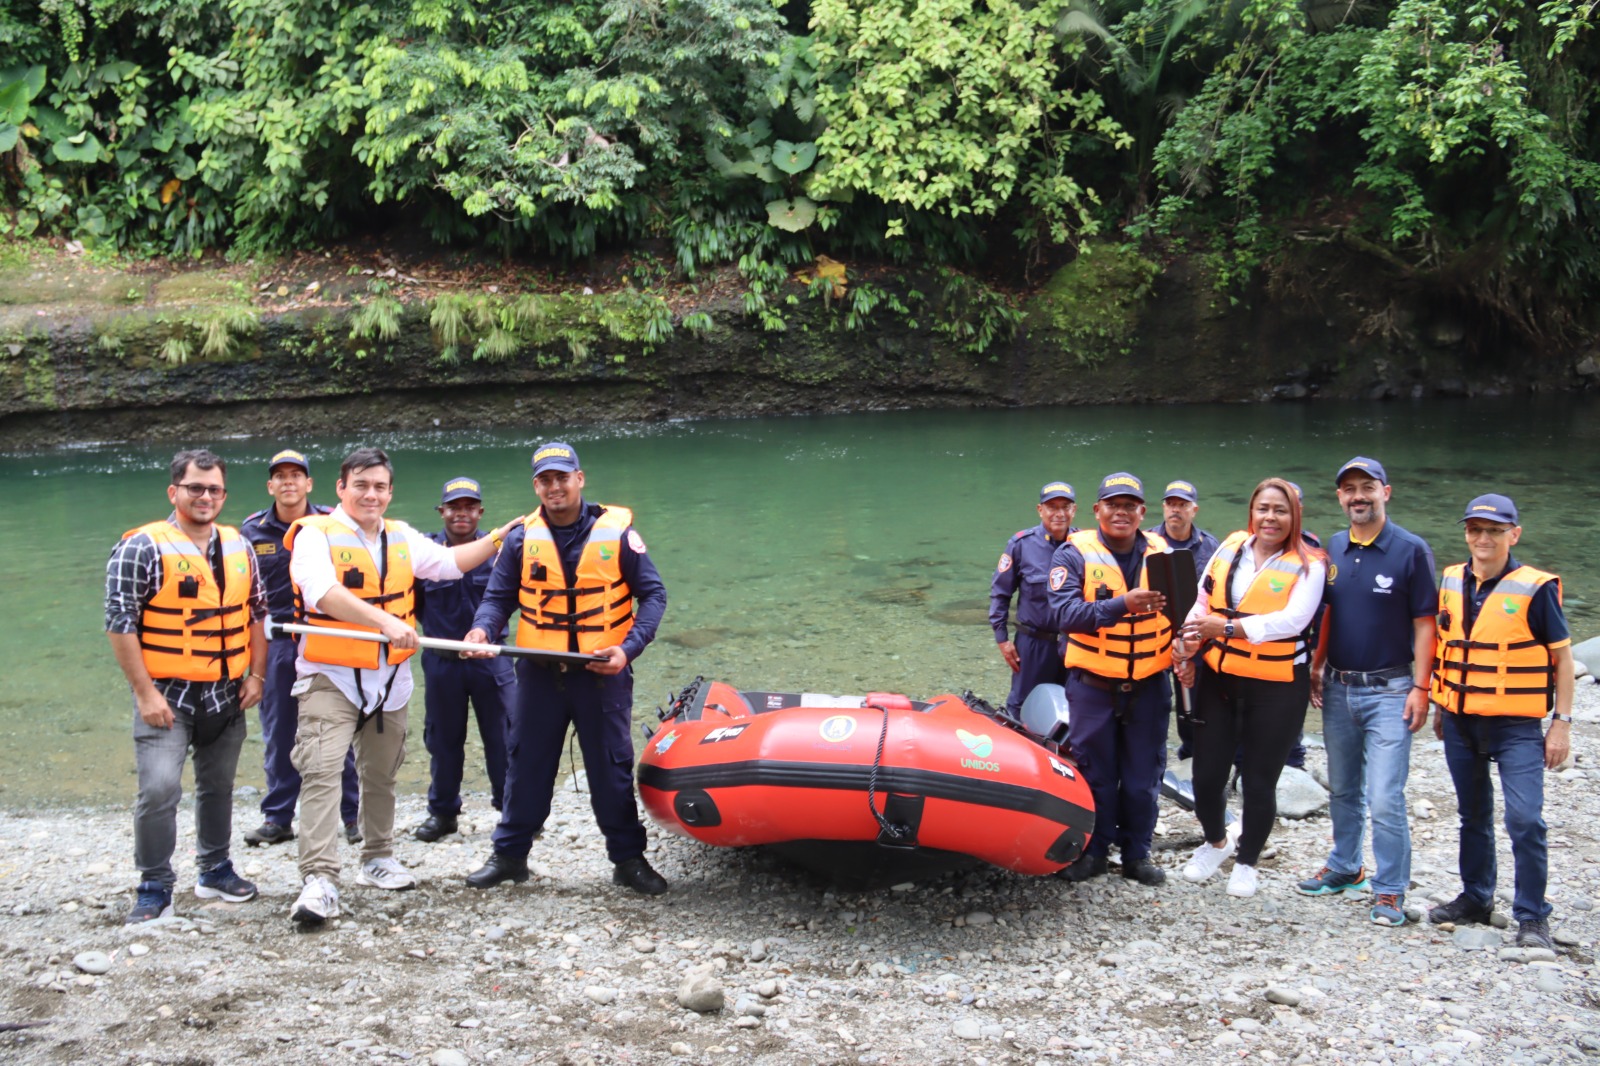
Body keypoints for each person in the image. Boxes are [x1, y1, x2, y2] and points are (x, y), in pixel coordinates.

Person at [284, 447, 514, 925]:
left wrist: (499, 537)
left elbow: (451, 563)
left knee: (381, 774)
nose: (372, 494)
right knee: (324, 772)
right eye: (361, 485)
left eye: (380, 487)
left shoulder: (401, 537)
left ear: (390, 492)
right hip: (330, 677)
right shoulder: (314, 535)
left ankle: (377, 857)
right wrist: (385, 621)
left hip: (390, 680)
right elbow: (324, 592)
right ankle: (320, 879)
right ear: (341, 488)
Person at [460, 441, 670, 895]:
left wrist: (628, 649)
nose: (554, 486)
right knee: (526, 762)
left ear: (580, 478)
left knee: (611, 766)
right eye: (544, 479)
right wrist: (481, 631)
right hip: (539, 673)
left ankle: (628, 859)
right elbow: (497, 600)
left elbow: (653, 595)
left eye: (562, 477)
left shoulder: (617, 535)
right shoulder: (519, 539)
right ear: (536, 485)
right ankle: (510, 856)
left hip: (602, 672)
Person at [106, 449, 267, 923]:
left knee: (217, 786)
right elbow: (120, 623)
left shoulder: (239, 546)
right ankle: (154, 882)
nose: (205, 497)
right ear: (174, 491)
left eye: (214, 489)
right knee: (158, 789)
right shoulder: (142, 547)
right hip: (166, 694)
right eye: (195, 487)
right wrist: (144, 692)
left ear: (223, 495)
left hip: (226, 691)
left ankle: (214, 867)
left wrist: (256, 675)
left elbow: (257, 614)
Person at [1426, 494, 1573, 951]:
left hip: (1516, 725)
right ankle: (1476, 897)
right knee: (1472, 814)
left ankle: (1532, 916)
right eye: (1475, 529)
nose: (1483, 538)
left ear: (1514, 533)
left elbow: (1563, 660)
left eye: (1494, 530)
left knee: (1525, 818)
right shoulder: (1451, 578)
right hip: (1459, 719)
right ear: (1466, 533)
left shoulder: (1535, 587)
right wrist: (1438, 705)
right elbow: (1446, 647)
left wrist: (1561, 723)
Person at [1297, 456, 1437, 927]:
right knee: (1344, 789)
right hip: (1339, 685)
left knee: (1384, 796)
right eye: (1349, 489)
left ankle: (1391, 889)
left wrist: (1422, 685)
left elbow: (1424, 624)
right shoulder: (1333, 547)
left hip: (1392, 688)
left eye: (1367, 487)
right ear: (1339, 497)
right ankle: (1345, 866)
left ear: (1386, 492)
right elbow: (1330, 614)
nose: (1358, 496)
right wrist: (1316, 666)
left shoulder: (1410, 550)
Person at [1175, 478, 1326, 897]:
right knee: (1206, 777)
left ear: (1295, 516)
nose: (1270, 518)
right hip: (1220, 679)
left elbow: (1292, 621)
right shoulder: (1230, 548)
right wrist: (1187, 645)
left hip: (1277, 687)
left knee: (1259, 780)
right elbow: (1201, 603)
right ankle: (1216, 842)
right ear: (1252, 512)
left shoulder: (1310, 564)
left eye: (1280, 510)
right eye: (1263, 509)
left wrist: (1225, 627)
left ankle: (1247, 861)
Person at [1047, 472, 1173, 886]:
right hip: (1093, 686)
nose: (1121, 512)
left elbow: (1187, 609)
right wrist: (1122, 605)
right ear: (1097, 510)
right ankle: (1093, 852)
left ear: (1142, 512)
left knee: (1142, 779)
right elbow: (1063, 615)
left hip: (1150, 685)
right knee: (1093, 774)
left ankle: (1137, 854)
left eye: (1130, 505)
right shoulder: (1071, 555)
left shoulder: (1163, 553)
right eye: (1113, 504)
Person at [239, 449, 361, 847]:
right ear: (270, 485)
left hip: (326, 638)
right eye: (280, 476)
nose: (288, 482)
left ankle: (352, 815)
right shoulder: (251, 531)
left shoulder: (330, 524)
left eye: (297, 475)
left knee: (334, 725)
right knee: (279, 730)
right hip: (277, 645)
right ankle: (278, 817)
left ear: (309, 483)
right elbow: (243, 596)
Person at [413, 477, 516, 842]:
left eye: (469, 506)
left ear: (480, 511)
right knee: (442, 740)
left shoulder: (501, 551)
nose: (462, 513)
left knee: (504, 739)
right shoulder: (423, 552)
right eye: (454, 506)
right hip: (443, 664)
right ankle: (443, 813)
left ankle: (511, 813)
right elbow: (410, 606)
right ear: (441, 511)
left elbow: (515, 600)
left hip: (493, 661)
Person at [990, 481, 1076, 713]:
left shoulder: (1085, 545)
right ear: (1040, 510)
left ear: (1074, 510)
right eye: (1052, 507)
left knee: (1076, 704)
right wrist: (1002, 639)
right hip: (1034, 644)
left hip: (1076, 642)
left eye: (1065, 507)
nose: (1059, 513)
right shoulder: (1021, 545)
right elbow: (1000, 593)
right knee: (1023, 705)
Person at [1152, 479, 1220, 763]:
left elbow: (1217, 596)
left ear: (1194, 510)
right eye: (1171, 504)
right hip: (1155, 636)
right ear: (1163, 507)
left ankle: (1190, 753)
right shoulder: (1147, 541)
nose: (1175, 510)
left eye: (1182, 505)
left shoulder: (1210, 546)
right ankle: (1153, 753)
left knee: (1191, 700)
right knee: (1154, 700)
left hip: (1194, 638)